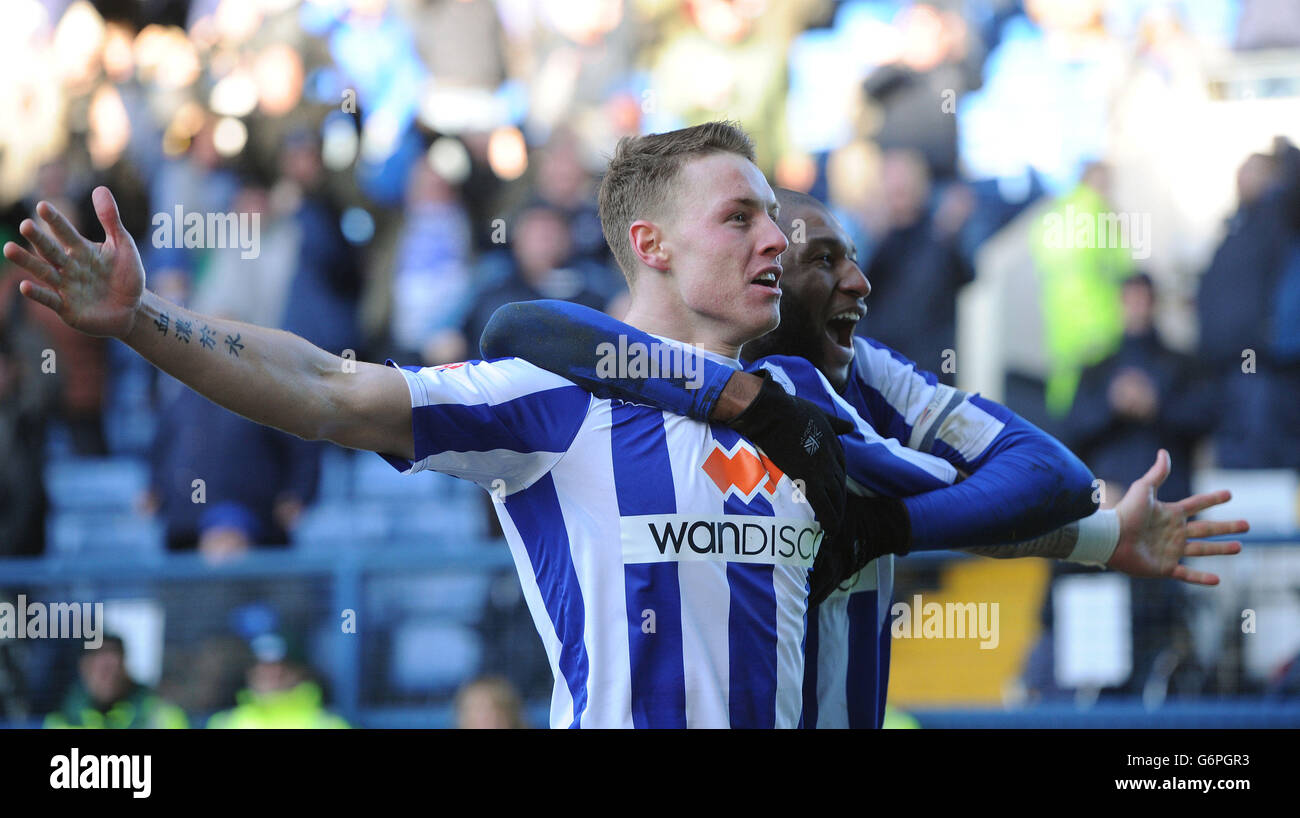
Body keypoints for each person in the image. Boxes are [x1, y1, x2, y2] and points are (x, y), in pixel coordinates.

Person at [6, 122, 869, 729]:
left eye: (773, 218)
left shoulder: (809, 407)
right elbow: (325, 389)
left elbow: (1004, 489)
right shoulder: (554, 397)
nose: (775, 242)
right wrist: (141, 317)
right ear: (652, 244)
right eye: (740, 217)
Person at [480, 188, 1247, 727]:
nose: (860, 280)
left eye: (852, 255)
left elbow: (1047, 479)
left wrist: (877, 529)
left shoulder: (849, 377)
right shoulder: (728, 385)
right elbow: (517, 327)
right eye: (825, 260)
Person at [207, 632, 348, 729]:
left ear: (300, 672)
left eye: (282, 666)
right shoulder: (224, 723)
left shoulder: (327, 724)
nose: (271, 674)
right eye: (262, 666)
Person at [45, 636, 188, 729]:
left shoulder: (162, 717)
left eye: (112, 668)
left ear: (125, 668)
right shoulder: (61, 721)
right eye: (100, 670)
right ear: (84, 668)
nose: (107, 678)